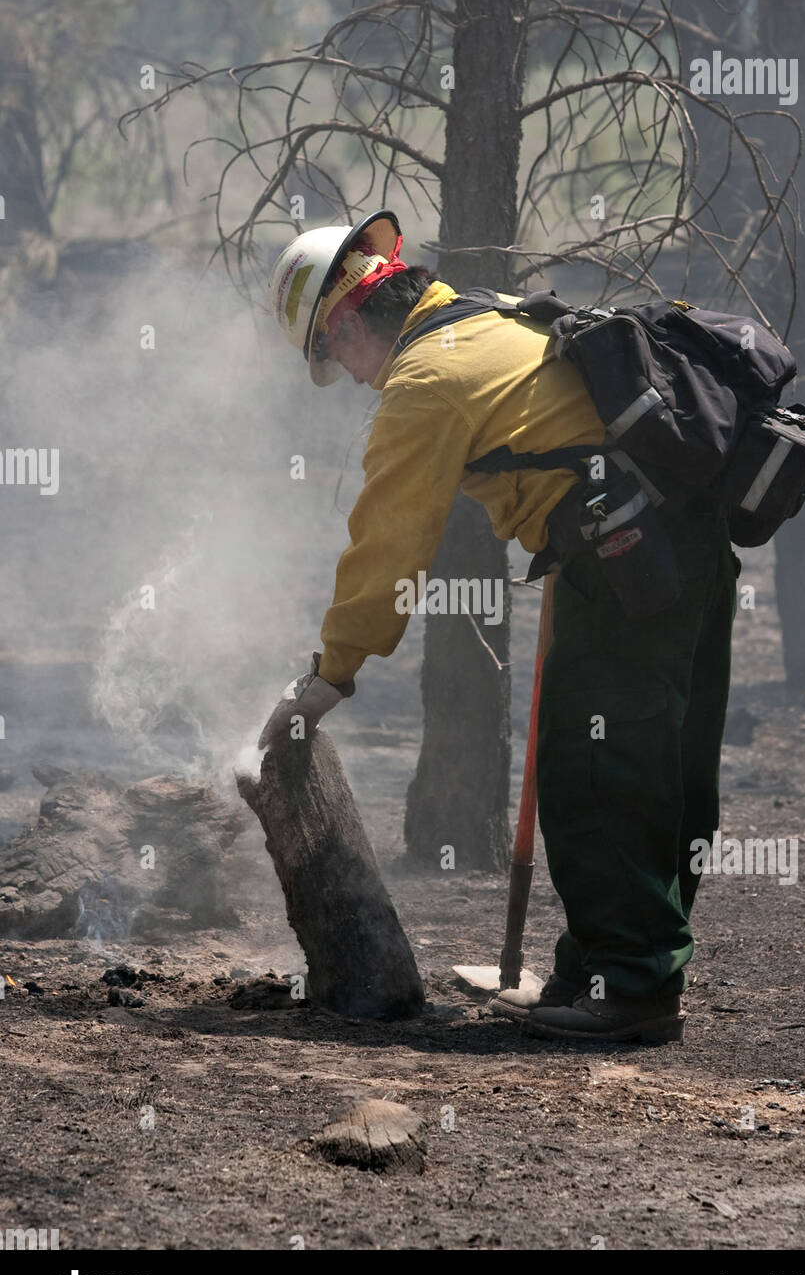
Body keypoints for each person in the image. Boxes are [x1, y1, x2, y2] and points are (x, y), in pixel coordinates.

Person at [261, 209, 740, 1044]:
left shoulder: (424, 381)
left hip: (624, 564)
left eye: (332, 355)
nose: (349, 374)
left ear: (344, 322)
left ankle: (633, 990)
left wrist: (329, 675)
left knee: (600, 771)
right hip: (685, 546)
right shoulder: (487, 313)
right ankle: (596, 970)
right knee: (662, 763)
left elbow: (388, 545)